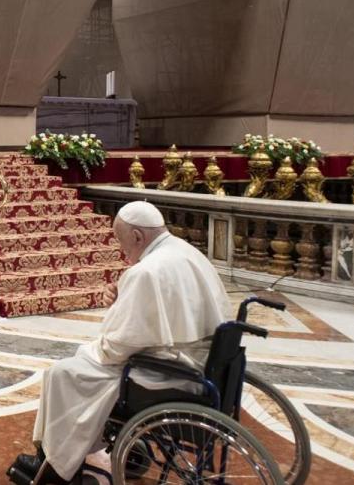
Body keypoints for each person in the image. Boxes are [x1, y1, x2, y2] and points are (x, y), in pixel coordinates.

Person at [13, 201, 230, 484]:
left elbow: (118, 347)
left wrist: (93, 348)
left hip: (168, 374)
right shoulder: (186, 251)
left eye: (121, 240)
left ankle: (57, 466)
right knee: (77, 367)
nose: (121, 249)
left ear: (137, 236)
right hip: (202, 366)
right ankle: (59, 456)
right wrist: (124, 298)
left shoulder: (147, 271)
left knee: (62, 373)